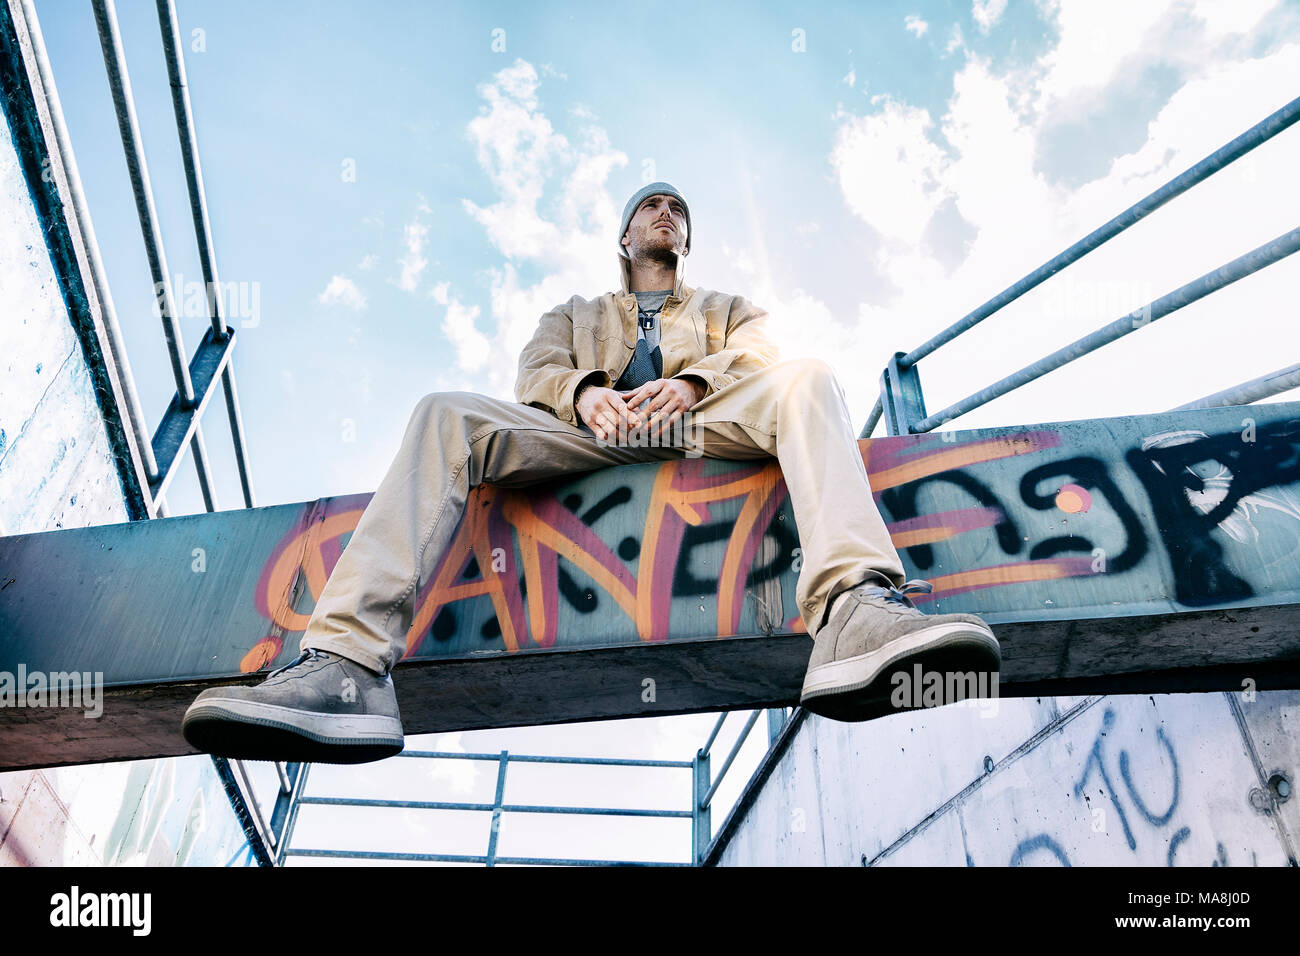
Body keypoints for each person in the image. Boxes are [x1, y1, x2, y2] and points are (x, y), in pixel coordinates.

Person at [181, 181, 1000, 765]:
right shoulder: (576, 313)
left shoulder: (726, 307)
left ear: (687, 239)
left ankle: (855, 610)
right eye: (652, 205)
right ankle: (347, 667)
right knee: (443, 412)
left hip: (693, 428)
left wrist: (692, 383)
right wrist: (583, 393)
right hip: (588, 435)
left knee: (809, 376)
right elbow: (534, 371)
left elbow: (761, 355)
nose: (666, 213)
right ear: (626, 237)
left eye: (678, 209)